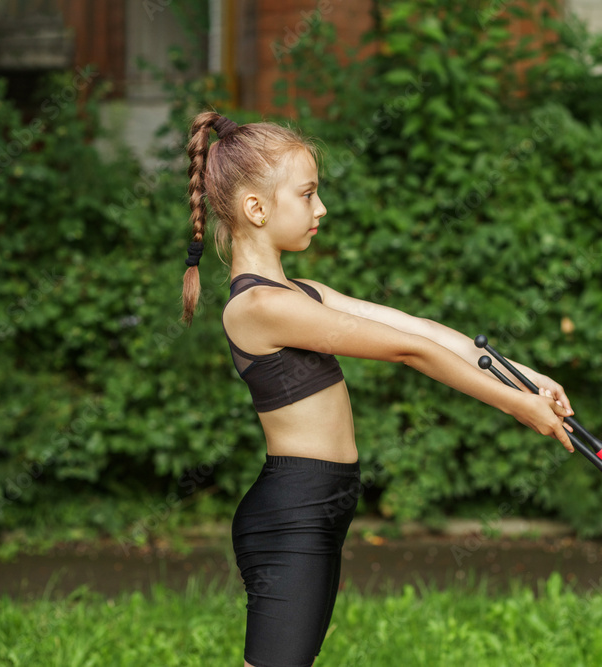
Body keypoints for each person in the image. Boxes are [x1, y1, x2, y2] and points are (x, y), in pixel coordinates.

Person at [181, 111, 576, 667]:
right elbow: (406, 351)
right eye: (308, 194)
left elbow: (419, 329)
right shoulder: (260, 307)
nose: (321, 209)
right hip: (292, 513)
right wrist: (517, 406)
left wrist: (522, 374)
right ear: (256, 208)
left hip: (319, 505)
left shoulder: (304, 293)